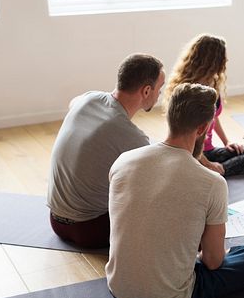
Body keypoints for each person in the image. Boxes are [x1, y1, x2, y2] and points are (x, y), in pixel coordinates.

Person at [105, 83, 244, 298]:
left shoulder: (124, 160)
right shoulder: (212, 183)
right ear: (204, 127)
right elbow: (213, 262)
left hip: (118, 285)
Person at [47, 53, 164, 248]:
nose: (160, 93)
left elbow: (73, 103)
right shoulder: (132, 136)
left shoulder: (87, 98)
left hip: (56, 222)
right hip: (90, 230)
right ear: (146, 91)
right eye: (160, 88)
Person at [165, 33, 244, 177]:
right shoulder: (187, 90)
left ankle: (213, 172)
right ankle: (210, 171)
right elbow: (187, 136)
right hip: (192, 153)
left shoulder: (212, 82)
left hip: (208, 151)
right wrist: (207, 163)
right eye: (223, 57)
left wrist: (227, 142)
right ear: (212, 60)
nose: (226, 60)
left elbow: (212, 117)